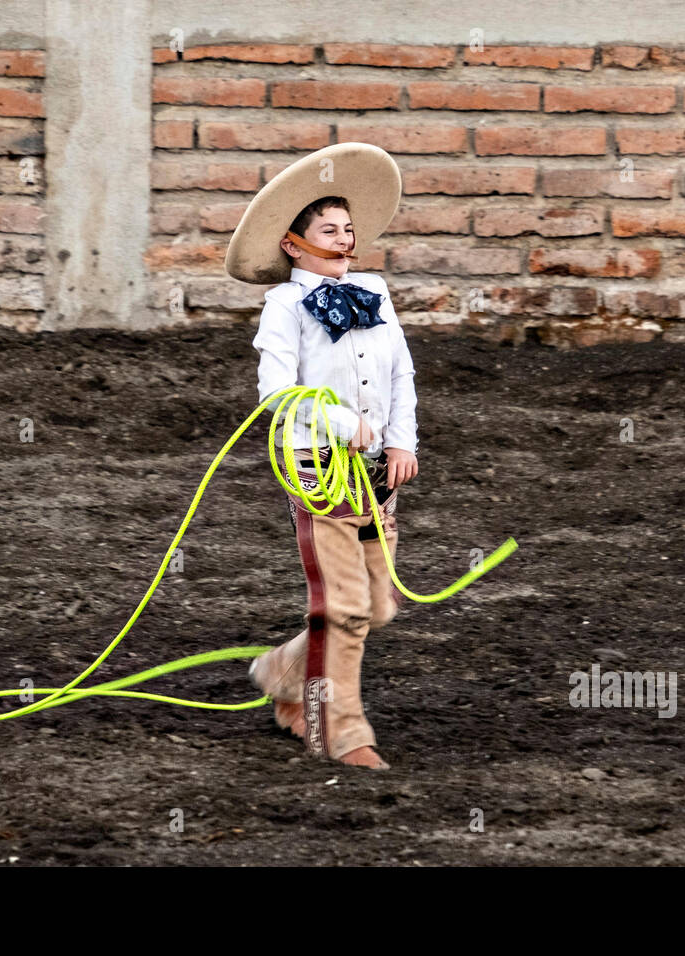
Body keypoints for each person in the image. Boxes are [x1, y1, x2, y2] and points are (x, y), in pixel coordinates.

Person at [224, 143, 418, 770]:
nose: (345, 237)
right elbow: (276, 394)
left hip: (376, 471)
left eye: (348, 228)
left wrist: (401, 440)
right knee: (345, 609)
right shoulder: (284, 306)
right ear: (293, 243)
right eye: (329, 229)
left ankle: (284, 670)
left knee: (378, 604)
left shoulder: (375, 293)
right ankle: (338, 732)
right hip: (318, 468)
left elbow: (401, 376)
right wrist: (341, 422)